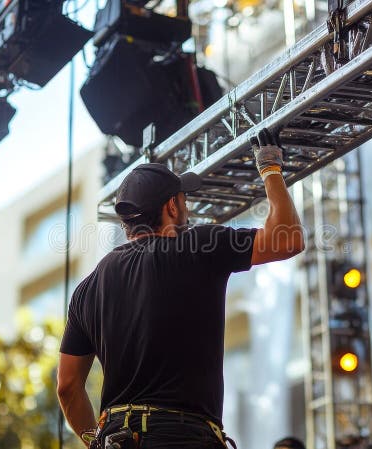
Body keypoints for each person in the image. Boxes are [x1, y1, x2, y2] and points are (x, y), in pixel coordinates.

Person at [56, 127, 304, 449]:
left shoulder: (88, 286)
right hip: (183, 437)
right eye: (183, 200)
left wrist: (96, 442)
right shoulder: (196, 245)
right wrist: (270, 169)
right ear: (172, 206)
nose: (186, 208)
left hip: (117, 436)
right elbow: (287, 238)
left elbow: (67, 386)